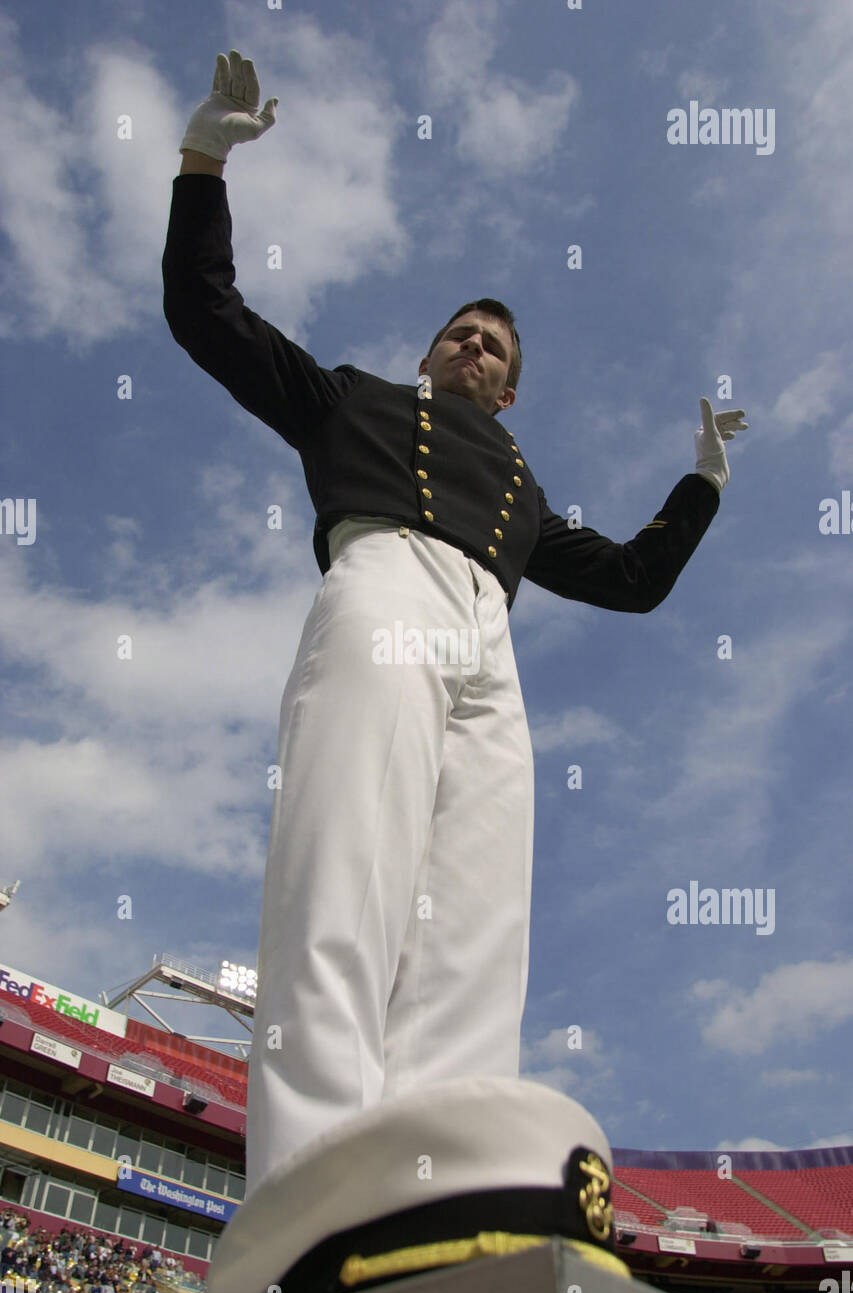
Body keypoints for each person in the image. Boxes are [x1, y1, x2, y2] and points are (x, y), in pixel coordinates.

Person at [163, 51, 747, 1204]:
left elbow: (632, 579)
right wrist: (204, 157)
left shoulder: (525, 493)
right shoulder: (350, 399)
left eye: (494, 345)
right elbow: (206, 312)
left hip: (489, 635)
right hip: (382, 589)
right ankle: (310, 1206)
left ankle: (424, 1213)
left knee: (474, 936)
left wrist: (704, 486)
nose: (473, 345)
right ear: (428, 353)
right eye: (459, 332)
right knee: (346, 885)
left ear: (511, 389)